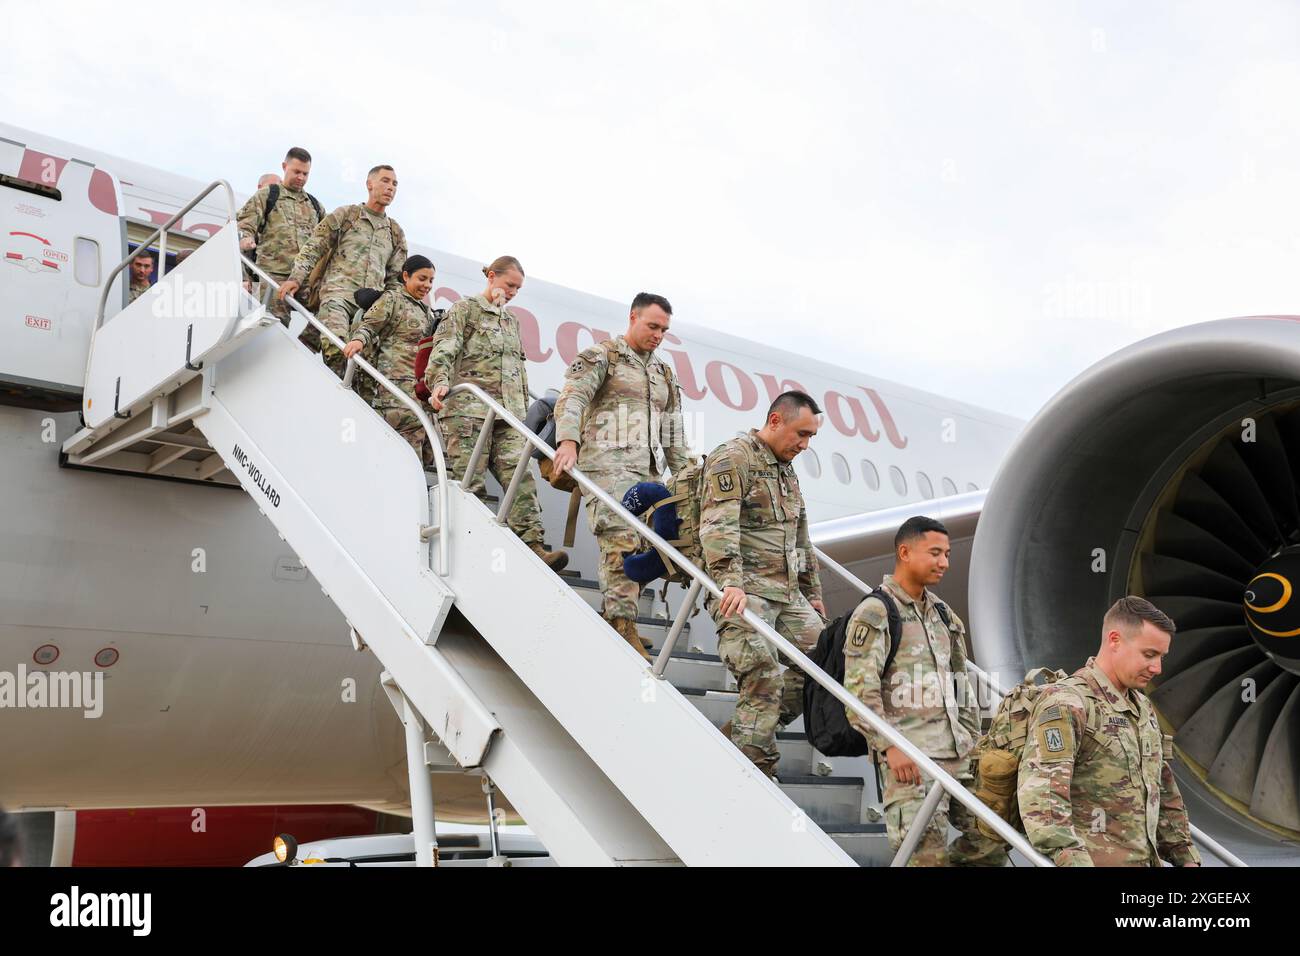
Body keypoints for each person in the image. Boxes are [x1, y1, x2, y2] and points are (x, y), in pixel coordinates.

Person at [842, 516, 1005, 866]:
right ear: (905, 552)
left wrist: (974, 742)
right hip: (910, 763)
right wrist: (888, 746)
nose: (944, 562)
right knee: (923, 858)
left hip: (960, 758)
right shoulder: (876, 612)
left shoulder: (944, 614)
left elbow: (962, 686)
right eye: (935, 553)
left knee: (997, 833)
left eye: (946, 554)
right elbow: (858, 692)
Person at [552, 292, 692, 658]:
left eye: (664, 330)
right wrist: (567, 441)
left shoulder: (663, 373)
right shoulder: (604, 357)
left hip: (645, 474)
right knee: (621, 537)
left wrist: (687, 477)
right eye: (652, 326)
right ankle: (621, 622)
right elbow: (573, 397)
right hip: (605, 467)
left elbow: (673, 430)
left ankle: (619, 612)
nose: (658, 335)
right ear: (633, 317)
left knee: (649, 543)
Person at [1017, 596, 1201, 867]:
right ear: (1114, 640)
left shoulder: (1142, 709)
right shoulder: (1068, 703)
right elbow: (1043, 798)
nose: (1157, 668)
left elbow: (1161, 788)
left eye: (1161, 657)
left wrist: (1186, 857)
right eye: (1149, 655)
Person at [698, 391, 826, 777]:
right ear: (774, 421)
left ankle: (744, 731)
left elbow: (801, 539)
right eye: (800, 434)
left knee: (826, 662)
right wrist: (729, 583)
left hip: (787, 595)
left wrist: (813, 595)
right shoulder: (734, 457)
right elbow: (718, 525)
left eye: (810, 438)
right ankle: (757, 766)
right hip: (744, 591)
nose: (804, 445)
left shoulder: (787, 471)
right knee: (763, 672)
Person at [424, 256, 567, 571]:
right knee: (470, 485)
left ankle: (533, 546)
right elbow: (445, 348)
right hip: (468, 414)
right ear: (491, 276)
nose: (514, 292)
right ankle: (470, 556)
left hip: (508, 416)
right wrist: (438, 384)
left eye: (518, 288)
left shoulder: (511, 321)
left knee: (521, 478)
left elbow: (518, 369)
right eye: (509, 284)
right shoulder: (466, 310)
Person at [280, 164, 406, 374]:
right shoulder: (347, 215)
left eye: (394, 184)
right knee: (335, 347)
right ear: (369, 184)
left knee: (355, 364)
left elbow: (395, 282)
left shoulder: (395, 233)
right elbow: (315, 246)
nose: (390, 187)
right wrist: (295, 278)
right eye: (385, 181)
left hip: (368, 309)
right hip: (336, 297)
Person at [342, 254, 439, 465]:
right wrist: (358, 340)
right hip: (393, 391)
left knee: (419, 455)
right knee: (393, 453)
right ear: (406, 276)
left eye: (431, 281)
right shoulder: (392, 299)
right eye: (422, 278)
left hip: (417, 393)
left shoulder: (429, 314)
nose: (427, 285)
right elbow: (370, 325)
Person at [236, 147, 323, 325]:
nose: (301, 178)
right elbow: (245, 223)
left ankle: (307, 344)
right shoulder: (268, 195)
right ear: (284, 167)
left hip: (305, 278)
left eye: (305, 174)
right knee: (275, 326)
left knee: (329, 310)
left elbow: (326, 239)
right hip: (274, 276)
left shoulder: (315, 205)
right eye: (296, 172)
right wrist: (245, 238)